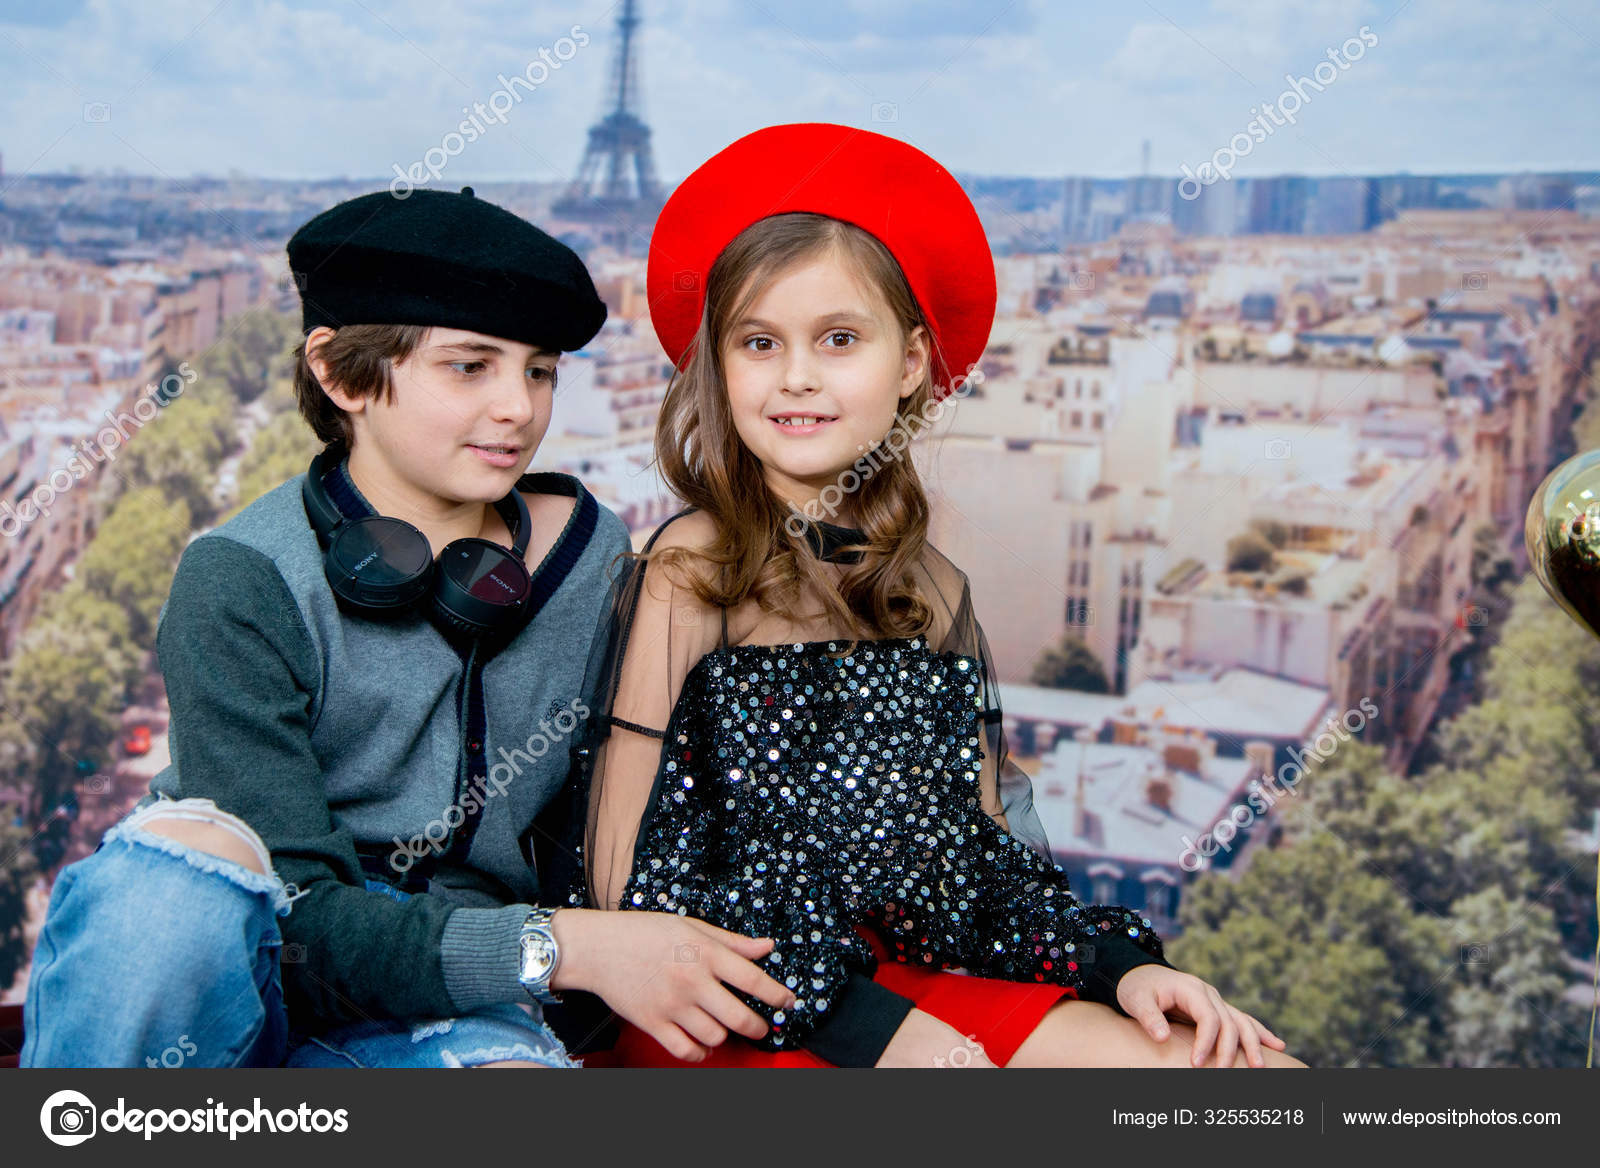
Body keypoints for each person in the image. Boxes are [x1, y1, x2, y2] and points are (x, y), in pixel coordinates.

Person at [573, 123, 1306, 1069]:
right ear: (718, 365)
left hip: (896, 981)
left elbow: (971, 861)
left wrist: (1114, 967)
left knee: (1252, 1075)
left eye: (839, 339)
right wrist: (880, 1033)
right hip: (736, 1006)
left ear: (913, 361)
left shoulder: (926, 590)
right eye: (759, 342)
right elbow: (629, 880)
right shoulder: (692, 570)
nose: (796, 374)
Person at [22, 186, 796, 1068]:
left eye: (538, 370)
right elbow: (294, 905)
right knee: (162, 892)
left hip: (453, 1003)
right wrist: (566, 947)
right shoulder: (241, 577)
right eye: (470, 367)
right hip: (248, 966)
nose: (519, 408)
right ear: (341, 373)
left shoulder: (592, 557)